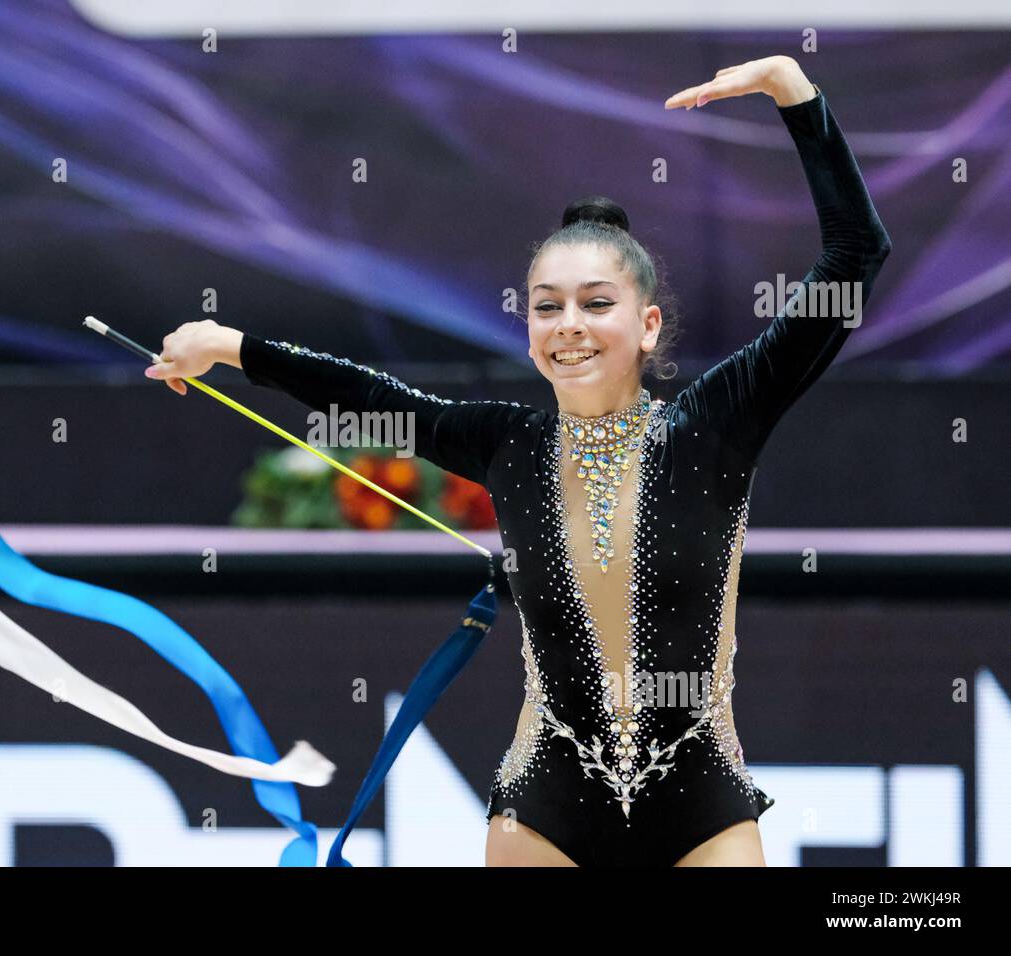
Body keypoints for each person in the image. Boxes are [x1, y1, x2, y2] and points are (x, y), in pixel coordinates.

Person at [144, 55, 891, 866]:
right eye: (547, 307)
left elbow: (855, 255)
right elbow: (372, 401)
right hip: (545, 812)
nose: (568, 324)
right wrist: (231, 346)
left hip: (702, 810)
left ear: (646, 326)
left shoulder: (717, 424)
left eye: (596, 304)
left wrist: (794, 93)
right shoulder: (510, 444)